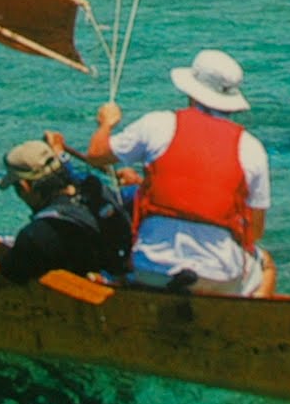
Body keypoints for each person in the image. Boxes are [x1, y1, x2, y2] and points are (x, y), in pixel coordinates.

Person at [78, 48, 275, 296]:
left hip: (152, 268)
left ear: (191, 92)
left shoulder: (158, 123)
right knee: (265, 263)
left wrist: (106, 123)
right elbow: (255, 231)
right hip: (218, 278)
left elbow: (95, 154)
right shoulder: (252, 148)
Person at [0, 140, 132, 284]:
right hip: (123, 271)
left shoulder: (39, 235)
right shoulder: (94, 189)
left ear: (25, 186)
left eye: (17, 189)